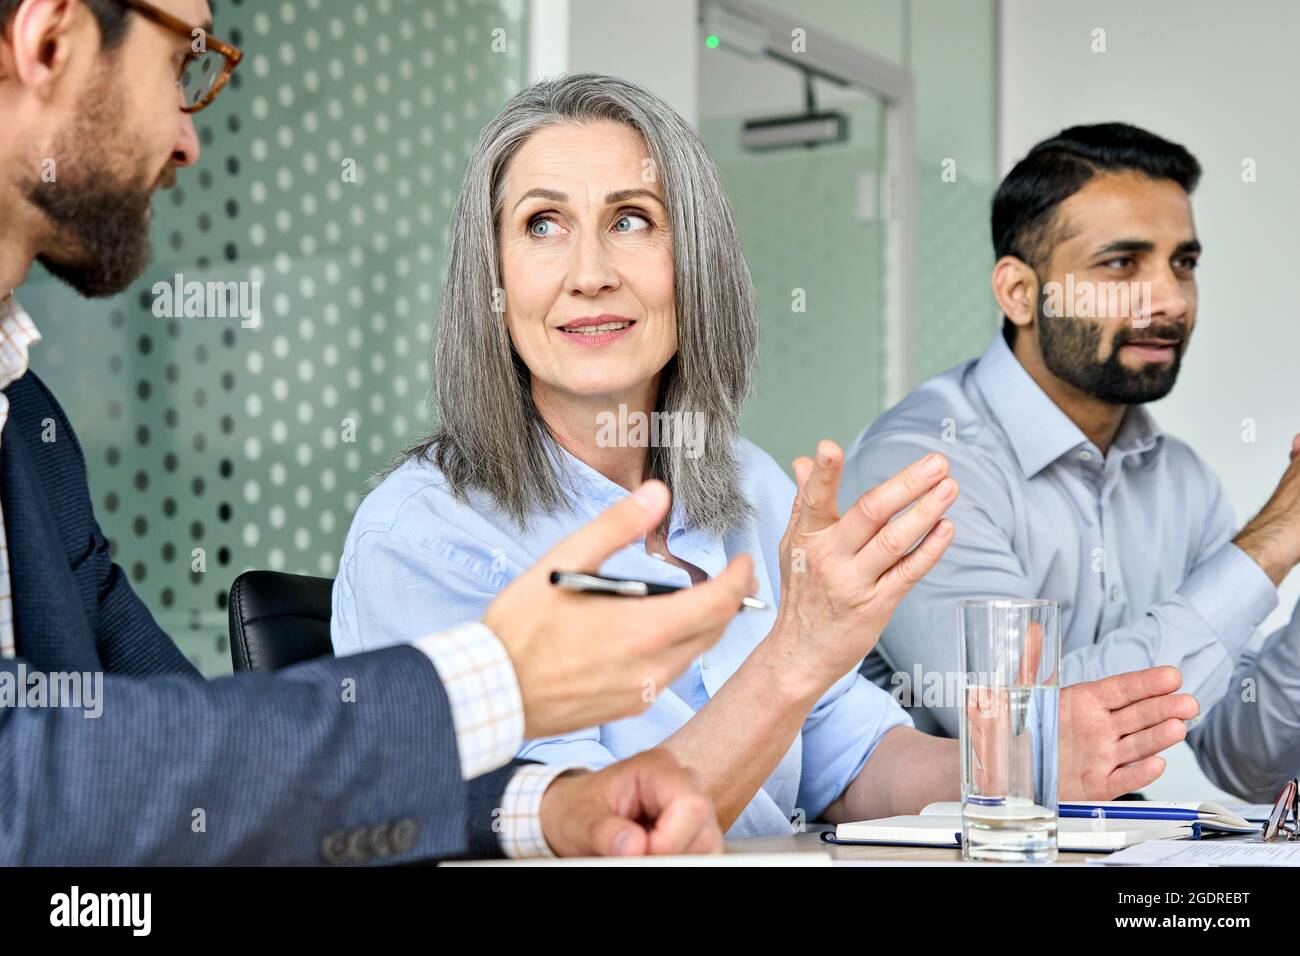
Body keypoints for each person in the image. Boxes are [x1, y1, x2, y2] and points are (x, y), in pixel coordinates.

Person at [332, 75, 1199, 837]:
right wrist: (798, 651)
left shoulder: (742, 482)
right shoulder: (423, 532)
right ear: (491, 280)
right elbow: (595, 830)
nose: (589, 271)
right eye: (543, 225)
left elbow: (849, 760)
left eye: (631, 220)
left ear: (695, 263)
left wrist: (1020, 760)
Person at [0, 0, 749, 864]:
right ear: (48, 40)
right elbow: (25, 784)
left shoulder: (28, 425)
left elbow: (206, 756)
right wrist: (494, 679)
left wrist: (543, 808)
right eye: (183, 66)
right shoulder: (421, 523)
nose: (188, 140)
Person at [841, 122, 1300, 802]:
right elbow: (1030, 732)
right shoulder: (923, 466)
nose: (1170, 299)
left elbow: (1248, 762)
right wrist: (1270, 544)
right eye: (1122, 264)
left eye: (1183, 263)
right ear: (1019, 293)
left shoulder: (1183, 483)